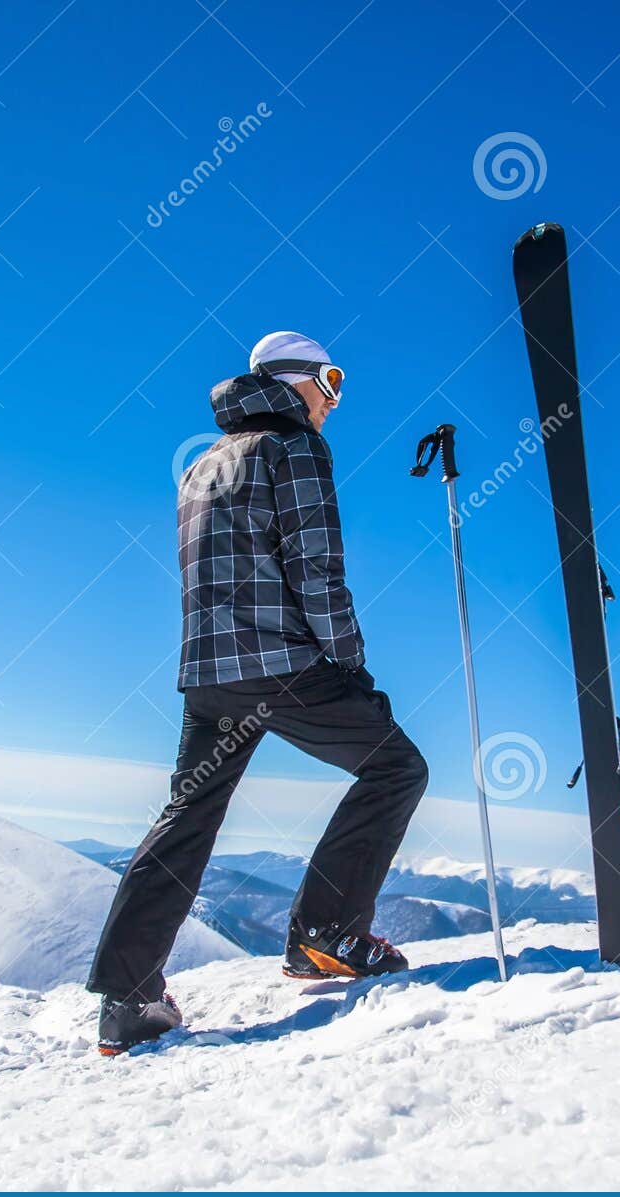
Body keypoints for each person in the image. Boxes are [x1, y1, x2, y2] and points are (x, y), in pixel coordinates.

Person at [88, 331, 429, 1055]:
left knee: (188, 817)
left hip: (209, 677)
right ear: (294, 381)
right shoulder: (295, 448)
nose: (334, 400)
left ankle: (129, 996)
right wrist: (353, 671)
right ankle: (324, 936)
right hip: (283, 665)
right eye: (329, 382)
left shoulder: (204, 463)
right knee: (398, 767)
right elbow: (317, 571)